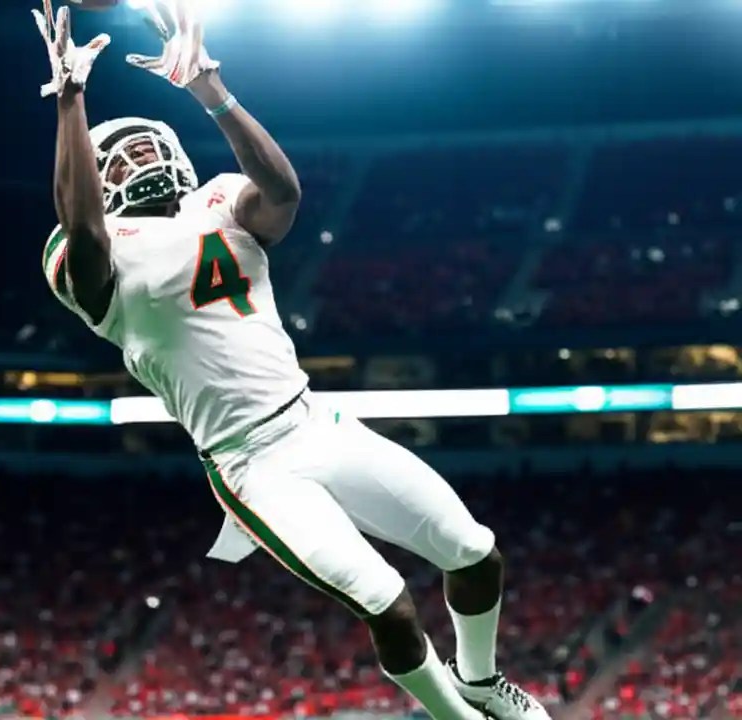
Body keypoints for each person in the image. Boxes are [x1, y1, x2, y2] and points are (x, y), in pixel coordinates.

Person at [31, 1, 551, 718]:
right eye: (118, 155)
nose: (142, 157)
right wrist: (71, 101)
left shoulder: (214, 201)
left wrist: (213, 93)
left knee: (476, 554)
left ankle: (480, 679)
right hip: (251, 464)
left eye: (148, 144)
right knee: (391, 608)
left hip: (315, 422)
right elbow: (81, 227)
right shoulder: (88, 258)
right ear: (97, 175)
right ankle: (455, 718)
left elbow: (283, 193)